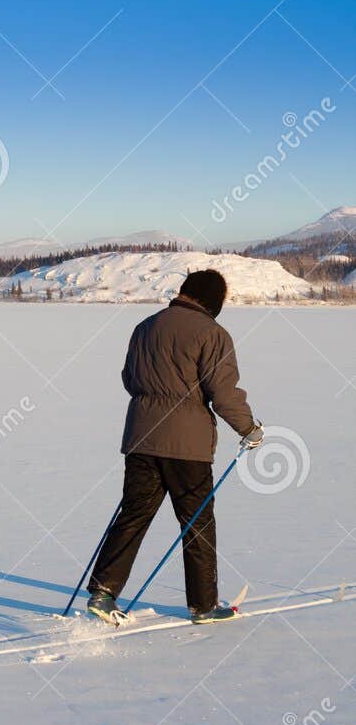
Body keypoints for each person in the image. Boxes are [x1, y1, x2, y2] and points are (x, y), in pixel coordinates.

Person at [86, 268, 264, 625]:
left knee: (134, 513)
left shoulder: (145, 326)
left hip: (141, 438)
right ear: (213, 301)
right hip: (187, 446)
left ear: (185, 292)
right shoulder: (213, 334)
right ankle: (203, 606)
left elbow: (129, 379)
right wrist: (249, 429)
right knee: (196, 522)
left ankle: (103, 592)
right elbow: (223, 392)